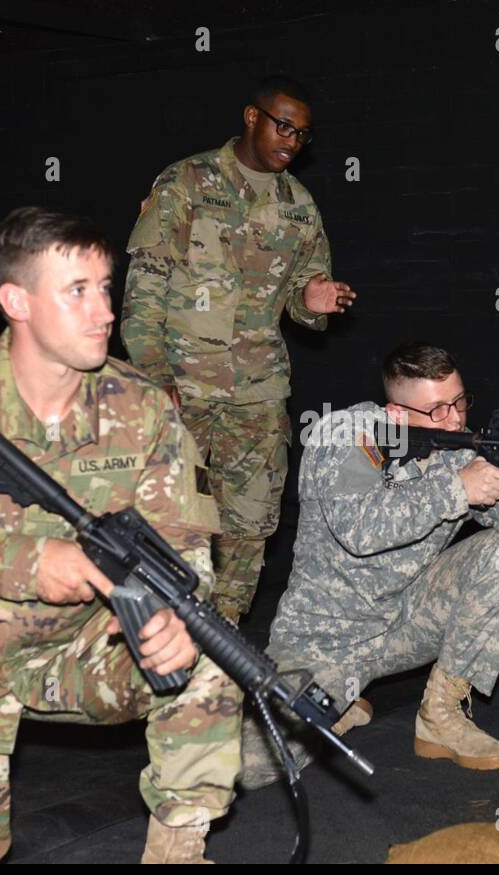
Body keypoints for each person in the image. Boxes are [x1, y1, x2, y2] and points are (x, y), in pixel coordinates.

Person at [0, 207, 239, 864]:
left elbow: (186, 546)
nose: (104, 311)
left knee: (207, 651)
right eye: (77, 290)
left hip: (73, 651)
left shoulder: (143, 406)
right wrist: (26, 563)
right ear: (16, 301)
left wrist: (174, 610)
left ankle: (178, 852)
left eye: (106, 287)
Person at [239, 342, 499, 789]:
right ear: (396, 413)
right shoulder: (343, 435)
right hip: (325, 638)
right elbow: (358, 530)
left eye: (459, 401)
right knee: (255, 767)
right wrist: (455, 490)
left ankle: (441, 713)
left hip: (404, 623)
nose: (455, 419)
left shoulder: (458, 452)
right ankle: (338, 694)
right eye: (437, 410)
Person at [121, 75, 355, 626]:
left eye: (303, 135)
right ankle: (153, 635)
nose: (292, 142)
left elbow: (304, 299)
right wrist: (153, 380)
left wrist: (313, 302)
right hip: (182, 386)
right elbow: (144, 287)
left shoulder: (299, 206)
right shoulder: (186, 182)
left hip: (258, 391)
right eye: (284, 126)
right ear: (252, 117)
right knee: (166, 514)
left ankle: (221, 642)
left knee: (250, 524)